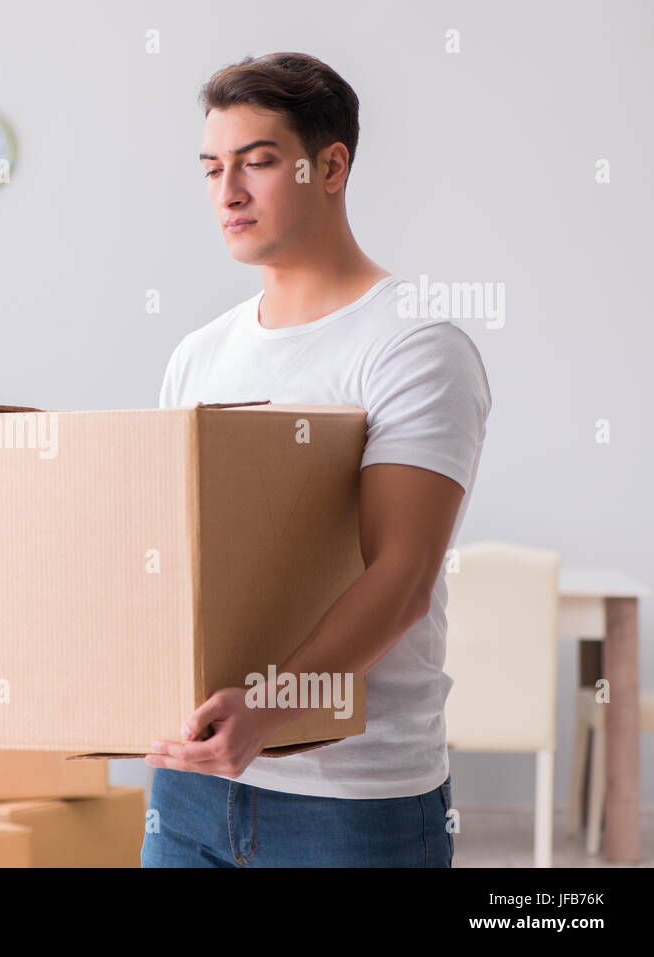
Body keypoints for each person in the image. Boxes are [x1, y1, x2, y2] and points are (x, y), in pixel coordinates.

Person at [142, 51, 491, 867]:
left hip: (349, 802)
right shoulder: (198, 354)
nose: (228, 191)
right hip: (189, 786)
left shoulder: (413, 343)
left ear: (330, 166)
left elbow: (401, 580)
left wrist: (267, 708)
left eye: (257, 162)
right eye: (211, 168)